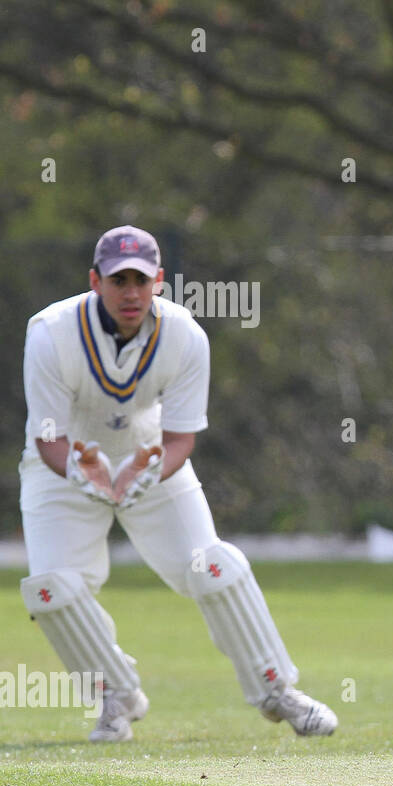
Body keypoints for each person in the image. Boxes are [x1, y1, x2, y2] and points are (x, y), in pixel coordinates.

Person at [19, 225, 338, 741]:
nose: (130, 293)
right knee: (52, 590)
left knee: (215, 566)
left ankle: (278, 691)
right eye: (118, 280)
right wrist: (85, 471)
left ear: (159, 282)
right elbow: (49, 438)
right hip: (65, 461)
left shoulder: (185, 334)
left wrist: (146, 473)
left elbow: (180, 438)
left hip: (150, 455)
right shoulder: (51, 332)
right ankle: (115, 698)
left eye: (140, 281)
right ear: (95, 281)